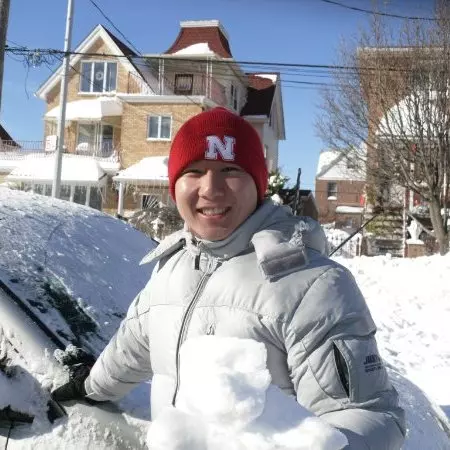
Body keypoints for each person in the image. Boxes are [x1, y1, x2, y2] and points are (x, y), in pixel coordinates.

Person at [53, 107, 405, 449]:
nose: (211, 188)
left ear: (258, 185)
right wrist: (89, 386)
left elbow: (366, 415)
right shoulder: (172, 269)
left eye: (230, 169)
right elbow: (130, 350)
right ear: (175, 186)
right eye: (194, 171)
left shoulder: (313, 285)